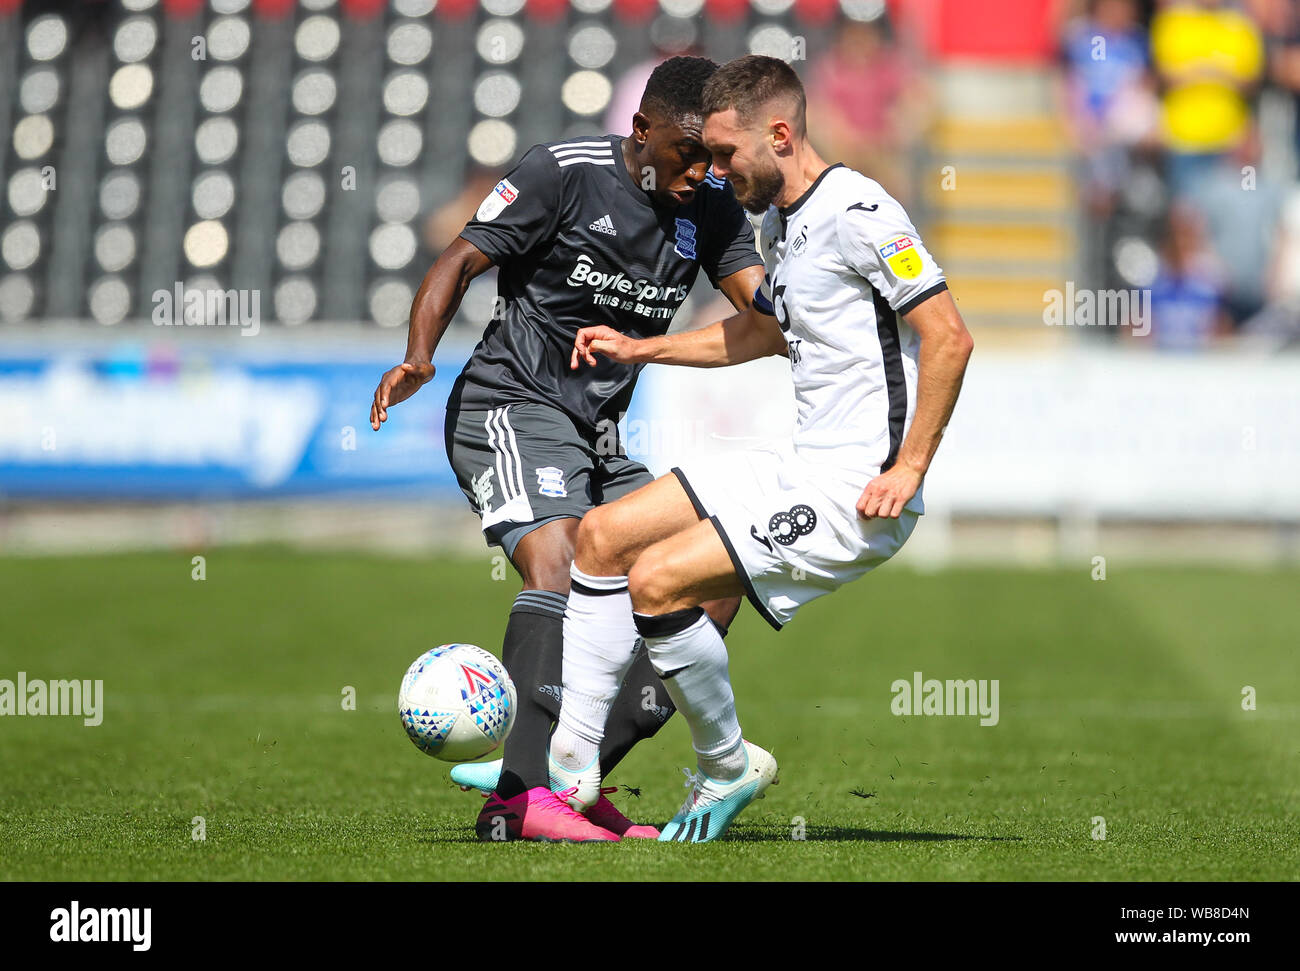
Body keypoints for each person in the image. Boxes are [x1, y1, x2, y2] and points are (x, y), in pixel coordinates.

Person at [545, 54, 974, 842]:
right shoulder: (783, 223)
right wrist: (644, 350)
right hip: (797, 461)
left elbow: (948, 336)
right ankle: (567, 758)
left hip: (856, 490)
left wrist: (909, 466)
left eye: (724, 154)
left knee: (659, 579)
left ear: (779, 134)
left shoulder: (859, 211)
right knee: (601, 536)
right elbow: (762, 332)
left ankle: (724, 762)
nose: (712, 170)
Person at [370, 57, 765, 842]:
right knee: (562, 556)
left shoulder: (712, 205)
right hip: (511, 404)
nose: (703, 170)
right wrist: (419, 355)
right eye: (689, 152)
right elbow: (460, 258)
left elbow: (767, 313)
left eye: (715, 155)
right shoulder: (564, 173)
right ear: (641, 131)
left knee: (715, 573)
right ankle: (522, 799)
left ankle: (565, 778)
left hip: (603, 434)